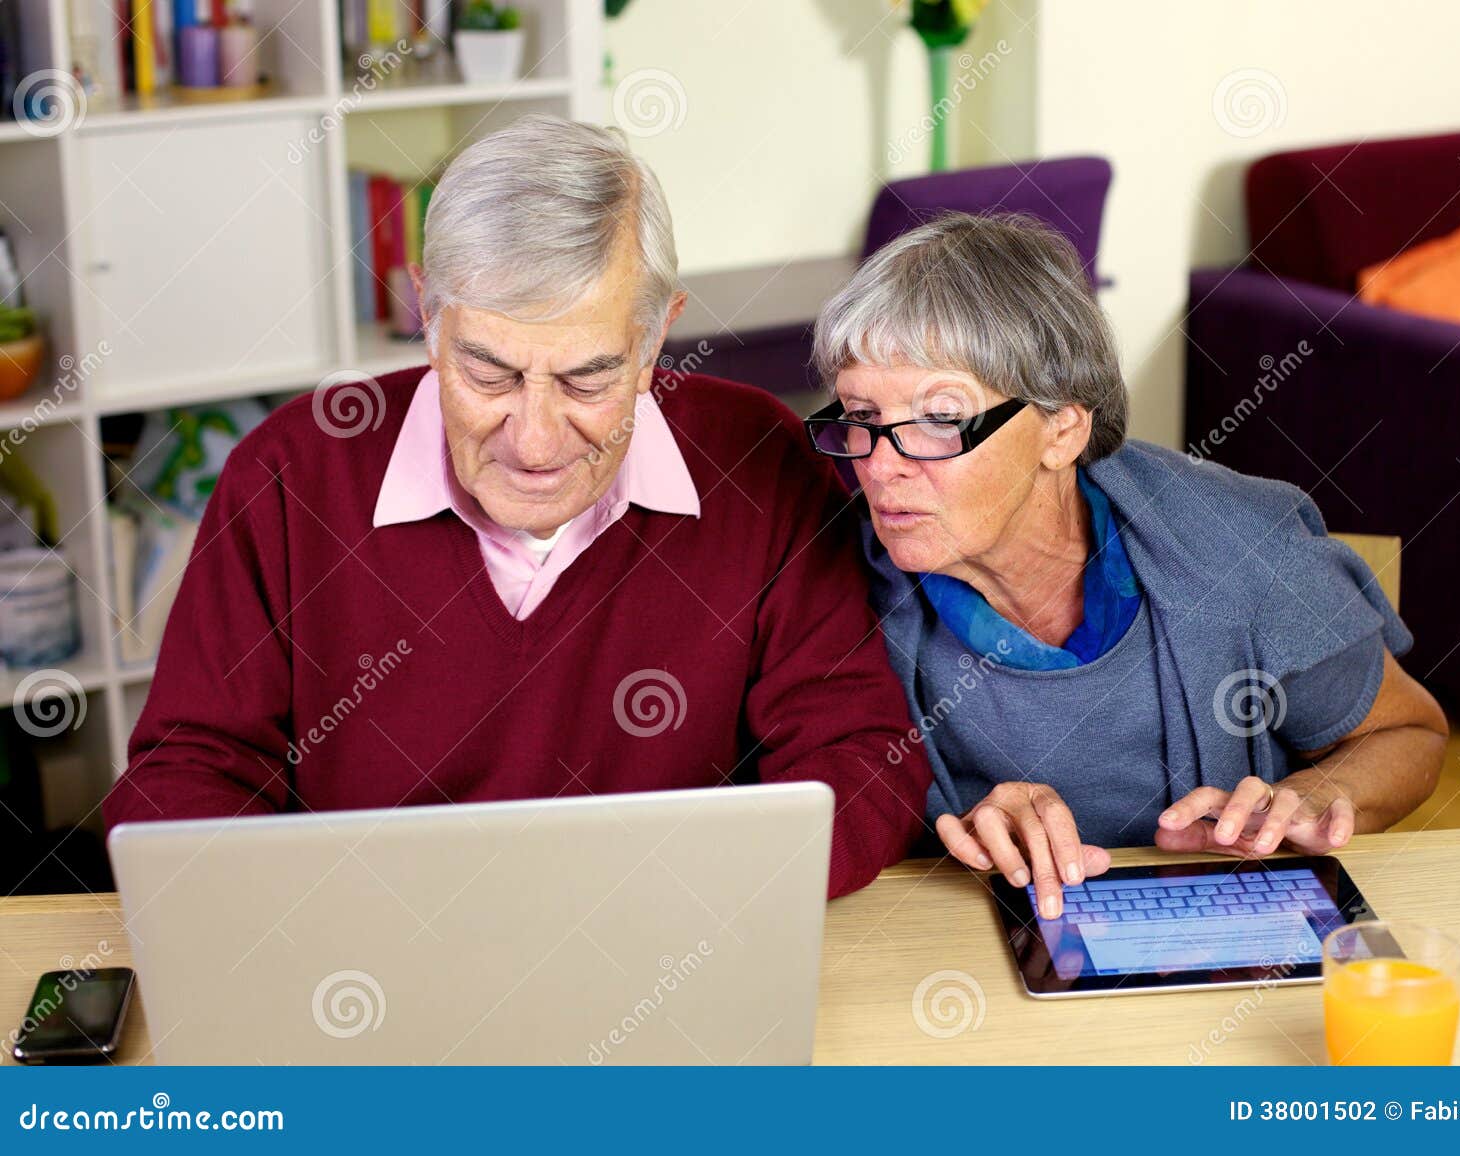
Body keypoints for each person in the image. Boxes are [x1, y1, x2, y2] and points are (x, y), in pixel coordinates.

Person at [102, 114, 932, 899]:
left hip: (670, 955)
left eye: (588, 377)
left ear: (654, 340)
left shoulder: (761, 456)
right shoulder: (290, 475)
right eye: (489, 373)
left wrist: (691, 902)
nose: (534, 443)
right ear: (428, 318)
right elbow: (189, 773)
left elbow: (857, 753)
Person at [804, 212, 1448, 917]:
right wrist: (945, 833)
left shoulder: (1238, 547)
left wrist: (1318, 796)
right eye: (862, 418)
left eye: (940, 420)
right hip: (964, 965)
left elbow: (1407, 734)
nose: (882, 467)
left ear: (1062, 430)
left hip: (1227, 948)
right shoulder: (825, 581)